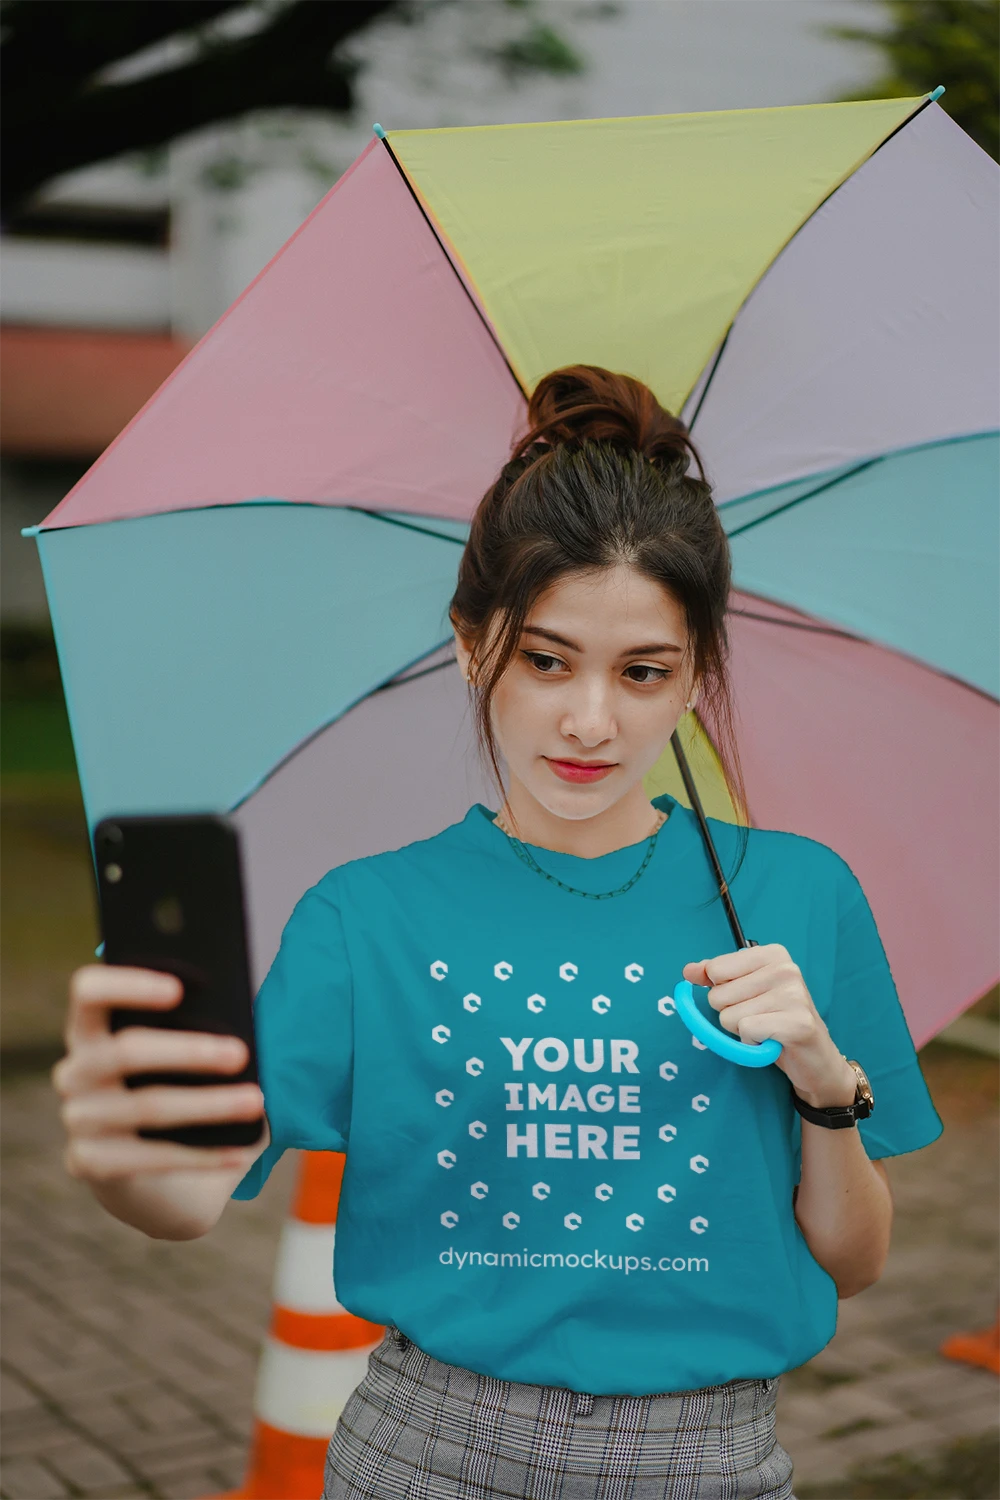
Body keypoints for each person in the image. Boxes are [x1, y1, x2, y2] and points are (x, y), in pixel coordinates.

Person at [54, 366, 942, 1499]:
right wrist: (124, 1148)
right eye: (545, 659)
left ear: (695, 675)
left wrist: (823, 1082)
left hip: (710, 1464)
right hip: (425, 1453)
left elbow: (853, 1263)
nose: (590, 720)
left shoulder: (797, 895)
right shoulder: (365, 914)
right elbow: (188, 1201)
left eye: (644, 673)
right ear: (474, 646)